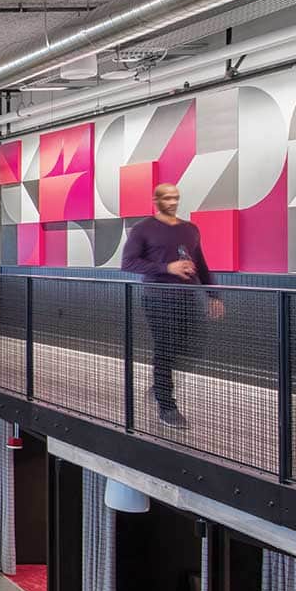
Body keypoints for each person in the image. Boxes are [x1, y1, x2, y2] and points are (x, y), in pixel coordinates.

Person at [120, 183, 224, 430]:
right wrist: (167, 268)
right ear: (155, 200)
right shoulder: (143, 229)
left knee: (190, 346)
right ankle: (166, 405)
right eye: (167, 198)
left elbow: (201, 264)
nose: (173, 202)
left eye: (176, 197)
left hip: (187, 297)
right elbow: (128, 263)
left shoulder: (190, 229)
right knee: (165, 348)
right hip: (158, 298)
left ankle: (160, 381)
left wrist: (213, 295)